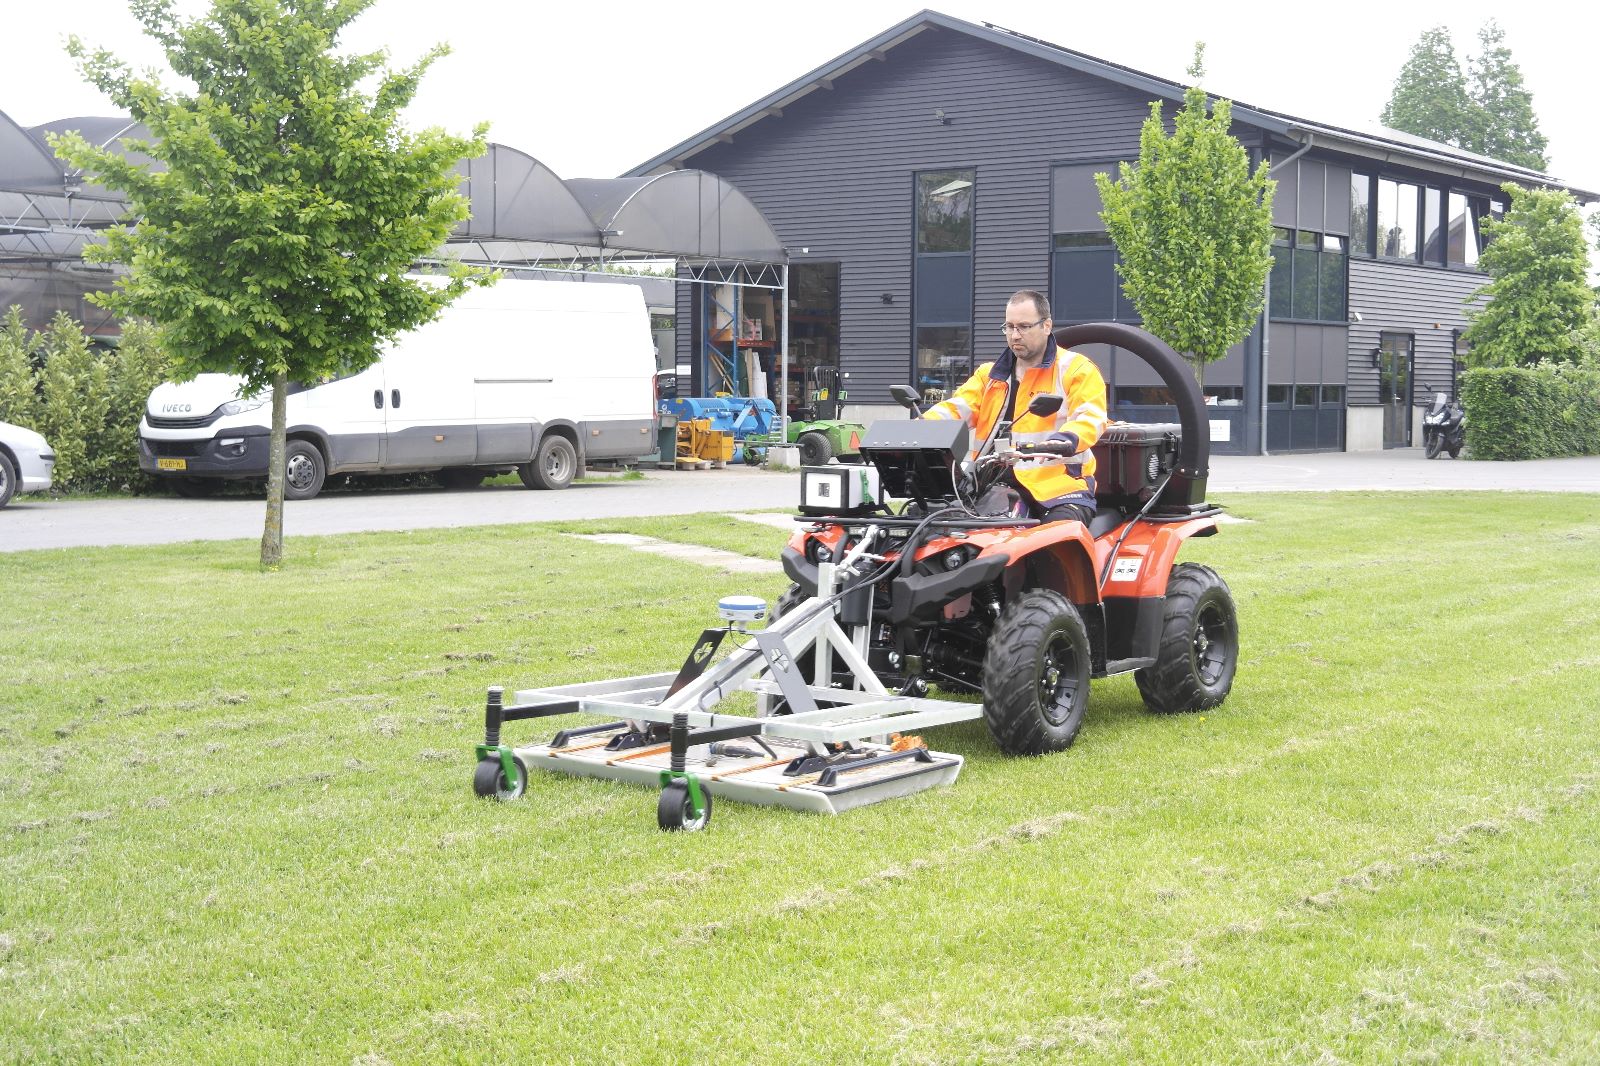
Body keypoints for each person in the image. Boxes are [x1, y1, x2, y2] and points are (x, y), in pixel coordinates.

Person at [924, 290, 1108, 524]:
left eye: (1023, 326)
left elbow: (1090, 416)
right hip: (990, 487)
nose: (1015, 335)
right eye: (1009, 327)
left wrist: (1066, 440)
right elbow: (956, 408)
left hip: (1058, 489)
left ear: (1047, 325)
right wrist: (919, 428)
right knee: (942, 534)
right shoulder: (988, 376)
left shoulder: (1076, 369)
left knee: (1056, 541)